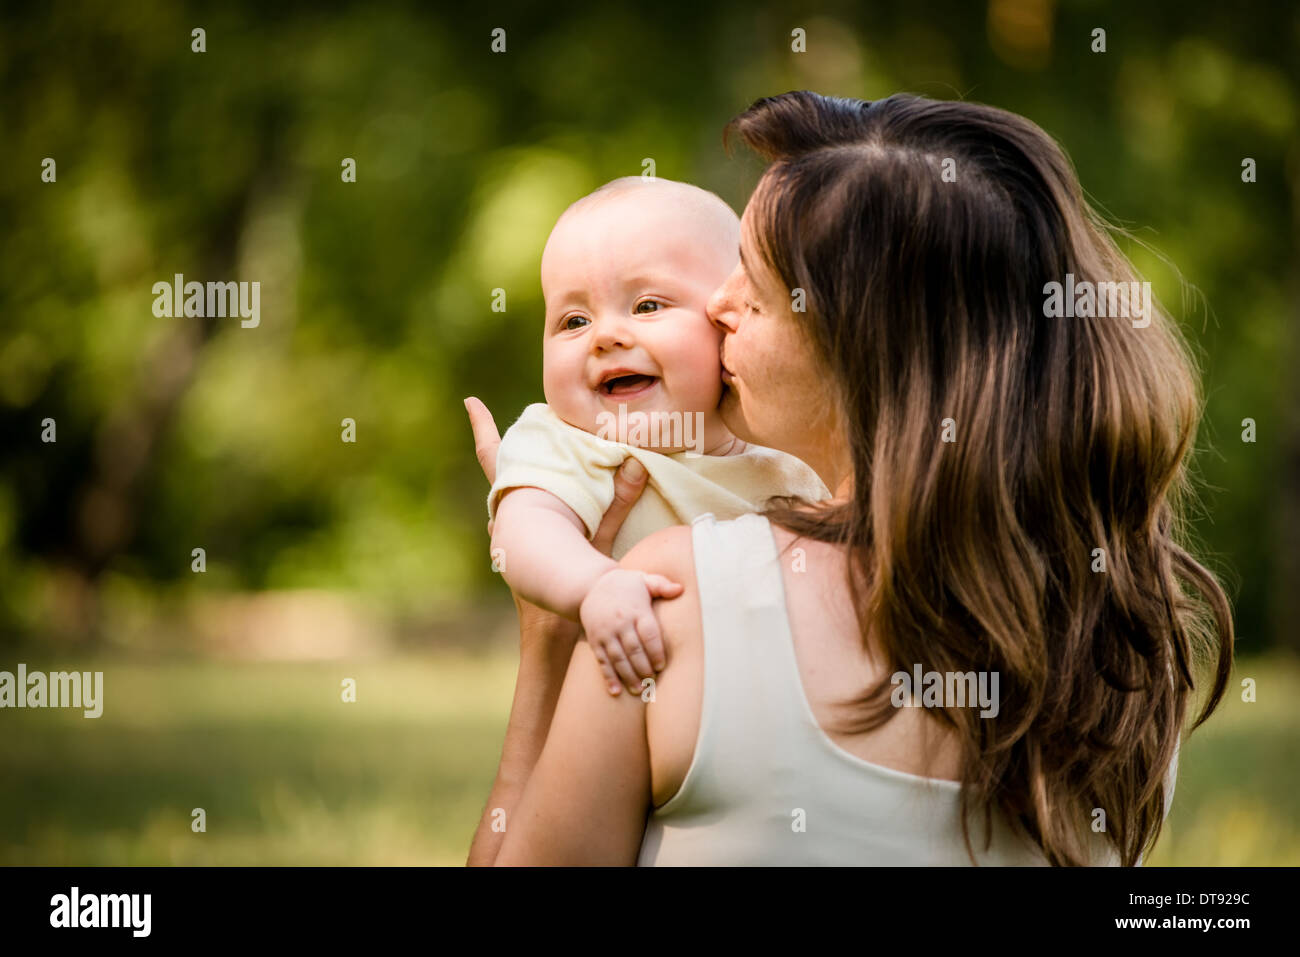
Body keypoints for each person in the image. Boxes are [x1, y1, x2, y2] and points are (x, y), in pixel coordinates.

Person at [465, 91, 1234, 866]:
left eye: (756, 289)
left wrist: (549, 652)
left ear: (859, 345)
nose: (719, 307)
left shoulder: (674, 604)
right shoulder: (1128, 653)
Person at [485, 176, 826, 697]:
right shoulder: (568, 440)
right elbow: (524, 530)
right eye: (573, 320)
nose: (606, 336)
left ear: (727, 320)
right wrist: (593, 585)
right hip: (623, 710)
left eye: (647, 306)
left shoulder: (790, 457)